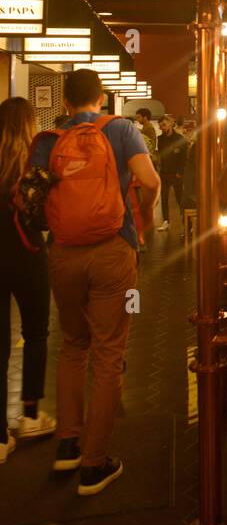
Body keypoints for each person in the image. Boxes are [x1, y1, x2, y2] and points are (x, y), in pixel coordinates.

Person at [27, 69, 160, 495]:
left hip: (63, 252)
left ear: (65, 101)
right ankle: (94, 463)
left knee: (73, 345)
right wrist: (145, 216)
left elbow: (31, 195)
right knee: (108, 352)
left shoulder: (49, 140)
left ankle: (67, 445)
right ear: (101, 98)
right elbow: (151, 180)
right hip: (112, 248)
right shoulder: (120, 129)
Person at [0, 98, 54, 462]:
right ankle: (31, 414)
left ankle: (0, 437)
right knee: (35, 333)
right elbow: (45, 220)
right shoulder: (33, 164)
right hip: (28, 255)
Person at [156, 115, 188, 234]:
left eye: (164, 125)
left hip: (176, 174)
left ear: (170, 124)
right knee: (164, 198)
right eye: (160, 126)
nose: (162, 128)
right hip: (164, 173)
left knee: (180, 198)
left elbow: (184, 158)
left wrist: (180, 173)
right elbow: (161, 155)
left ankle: (186, 222)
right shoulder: (160, 139)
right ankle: (166, 221)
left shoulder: (180, 138)